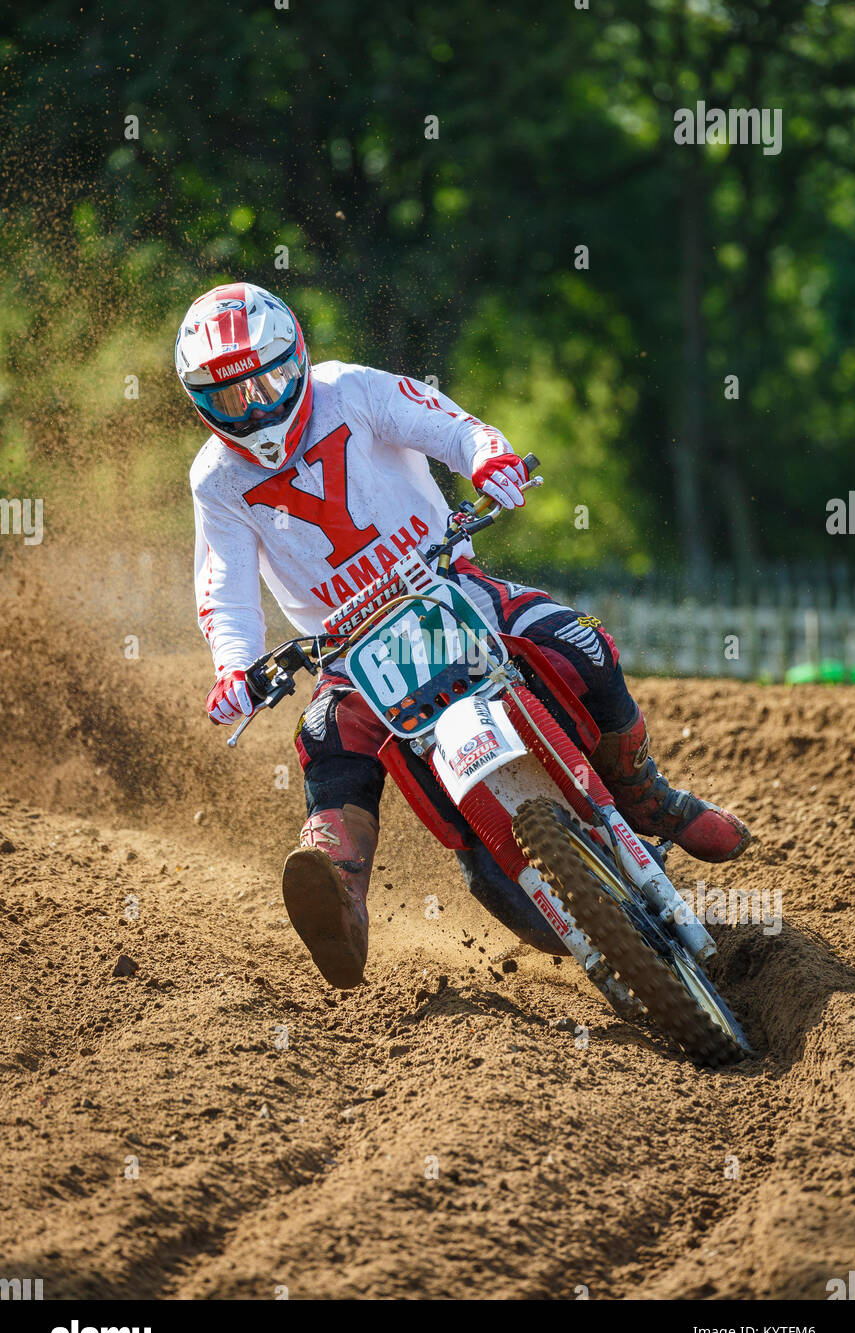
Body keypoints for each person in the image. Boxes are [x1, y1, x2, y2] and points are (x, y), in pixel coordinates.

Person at [177, 282, 750, 989]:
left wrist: (488, 457)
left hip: (447, 584)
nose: (257, 407)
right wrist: (234, 667)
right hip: (348, 653)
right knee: (325, 738)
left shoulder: (348, 389)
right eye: (232, 398)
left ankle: (644, 796)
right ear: (202, 403)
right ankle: (339, 893)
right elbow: (225, 587)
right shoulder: (215, 480)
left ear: (297, 356)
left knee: (580, 643)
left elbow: (447, 424)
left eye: (269, 382)